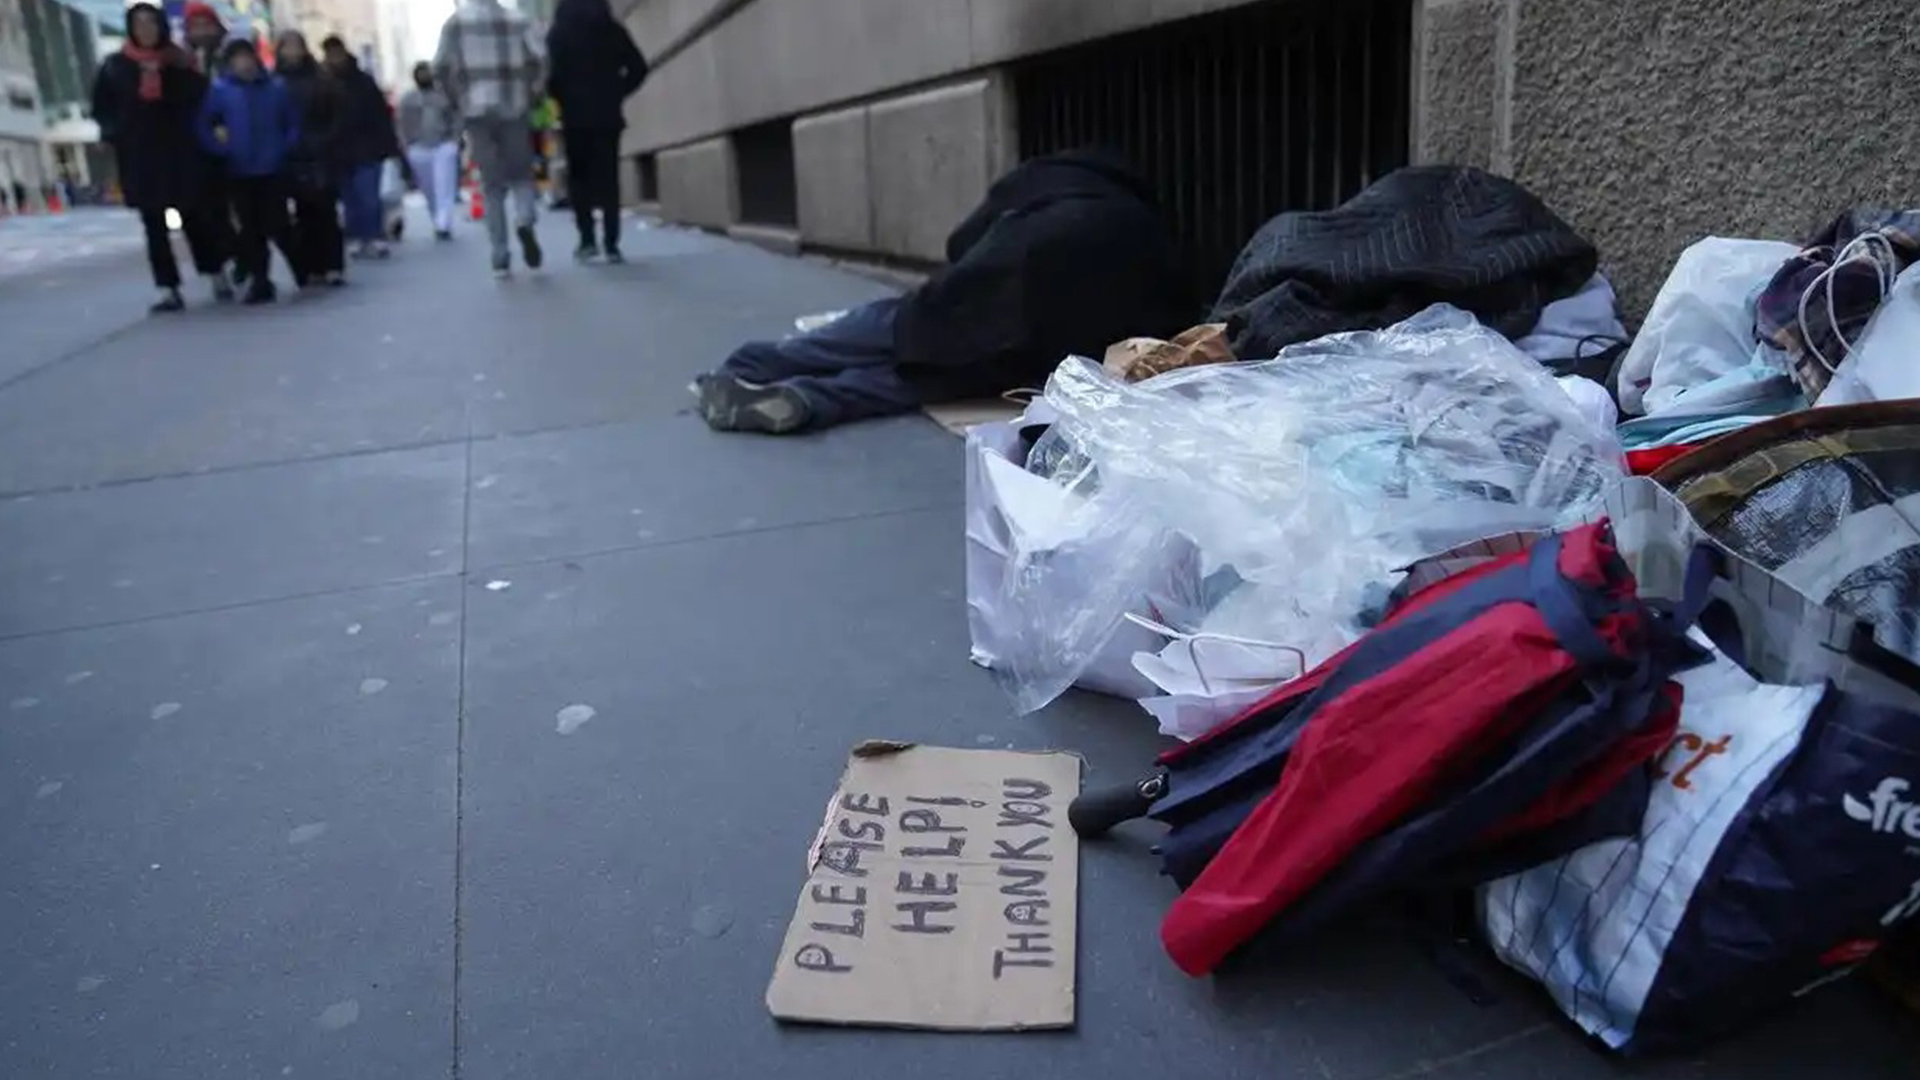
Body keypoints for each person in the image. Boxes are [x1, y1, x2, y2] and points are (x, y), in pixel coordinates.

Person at [90, 2, 231, 312]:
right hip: (140, 156)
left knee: (194, 217)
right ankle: (168, 287)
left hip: (179, 152)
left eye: (151, 23)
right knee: (154, 224)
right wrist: (112, 133)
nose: (145, 30)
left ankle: (215, 272)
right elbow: (103, 108)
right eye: (138, 24)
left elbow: (201, 101)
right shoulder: (116, 66)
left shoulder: (179, 62)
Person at [433, 0, 544, 278]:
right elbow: (541, 59)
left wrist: (456, 101)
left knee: (492, 186)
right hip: (515, 108)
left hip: (476, 111)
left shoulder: (456, 23)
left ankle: (500, 256)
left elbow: (440, 67)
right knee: (521, 175)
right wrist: (532, 94)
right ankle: (525, 218)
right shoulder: (519, 20)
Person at [196, 38, 300, 304]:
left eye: (247, 57)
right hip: (239, 169)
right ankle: (261, 280)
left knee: (277, 224)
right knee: (250, 228)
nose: (243, 63)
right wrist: (221, 149)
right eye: (237, 59)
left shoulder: (275, 88)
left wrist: (284, 147)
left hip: (272, 167)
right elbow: (204, 124)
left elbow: (292, 122)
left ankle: (302, 268)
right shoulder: (221, 91)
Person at [544, 0, 645, 264]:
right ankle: (612, 243)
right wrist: (617, 92)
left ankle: (587, 240)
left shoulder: (558, 34)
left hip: (575, 116)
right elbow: (638, 67)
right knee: (609, 178)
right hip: (607, 114)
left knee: (579, 179)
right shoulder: (611, 29)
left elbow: (549, 76)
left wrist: (563, 97)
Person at [274, 30, 347, 286]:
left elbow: (336, 114)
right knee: (302, 213)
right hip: (290, 156)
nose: (292, 52)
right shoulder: (275, 82)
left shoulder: (320, 80)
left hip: (320, 153)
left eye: (297, 46)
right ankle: (310, 265)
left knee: (325, 210)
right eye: (287, 46)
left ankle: (333, 264)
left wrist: (326, 140)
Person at [321, 36, 400, 260]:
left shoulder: (363, 82)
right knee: (350, 198)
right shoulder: (324, 83)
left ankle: (373, 235)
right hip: (339, 150)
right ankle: (356, 236)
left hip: (367, 147)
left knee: (369, 196)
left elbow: (380, 115)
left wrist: (388, 145)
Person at [397, 61, 460, 240]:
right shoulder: (408, 99)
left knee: (444, 184)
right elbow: (401, 123)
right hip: (418, 148)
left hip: (443, 145)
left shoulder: (444, 97)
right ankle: (437, 218)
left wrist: (454, 140)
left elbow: (456, 118)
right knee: (429, 187)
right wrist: (406, 144)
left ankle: (444, 223)